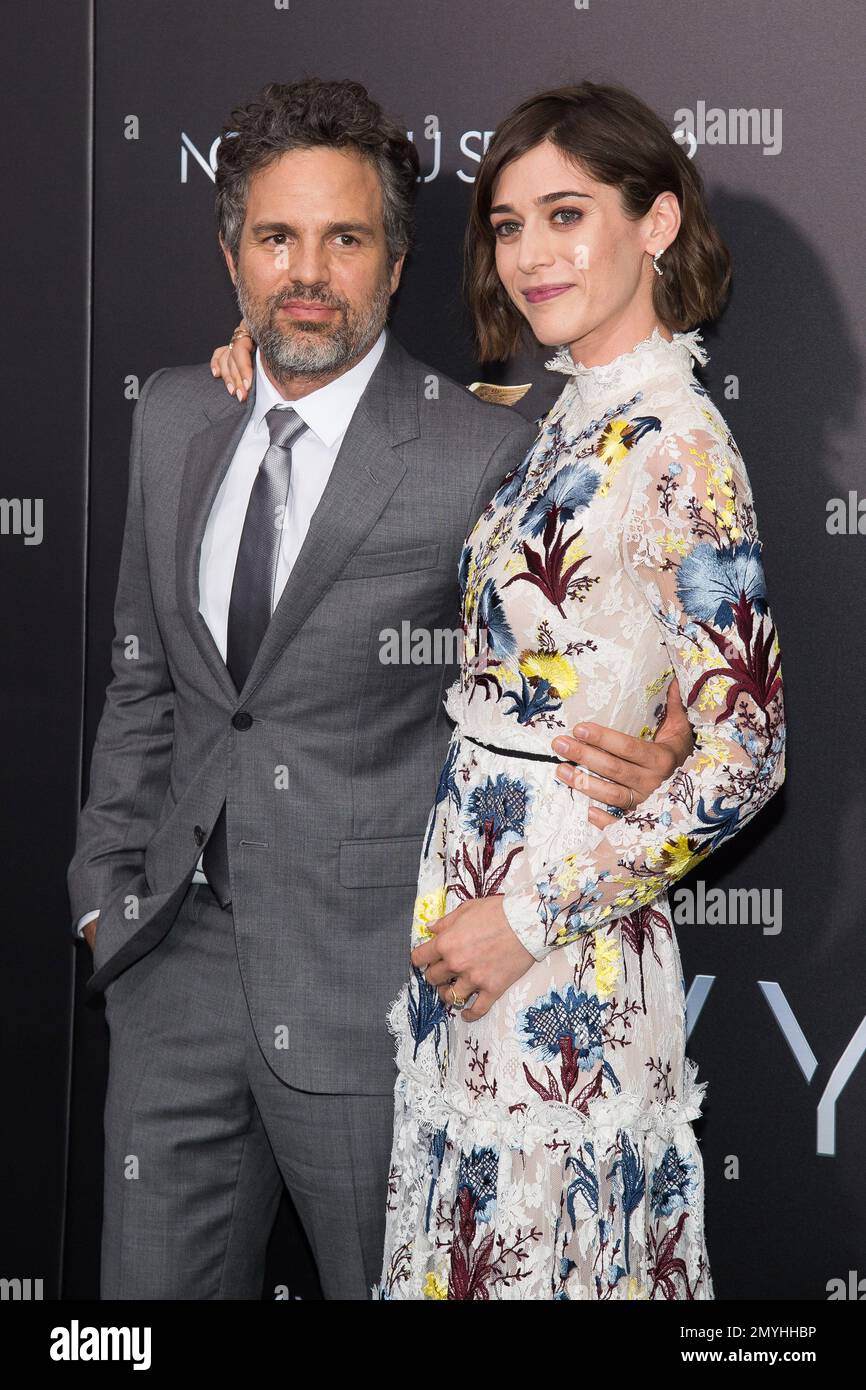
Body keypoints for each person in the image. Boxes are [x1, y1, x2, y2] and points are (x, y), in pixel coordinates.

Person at [68, 77, 691, 1302]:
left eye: (344, 239)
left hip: (373, 989)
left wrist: (660, 745)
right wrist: (104, 893)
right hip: (171, 971)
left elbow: (573, 674)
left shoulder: (485, 453)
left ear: (394, 264)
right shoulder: (176, 416)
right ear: (232, 255)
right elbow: (145, 682)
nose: (307, 272)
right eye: (276, 238)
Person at [365, 81, 784, 1300]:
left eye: (565, 214)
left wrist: (529, 916)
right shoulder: (570, 413)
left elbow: (748, 755)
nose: (530, 255)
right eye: (508, 225)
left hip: (559, 937)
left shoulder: (679, 444)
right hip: (476, 909)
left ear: (655, 222)